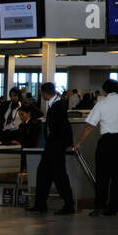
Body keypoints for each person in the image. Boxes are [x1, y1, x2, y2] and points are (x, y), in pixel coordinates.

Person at [72, 78, 118, 216]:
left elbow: (90, 126)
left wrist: (79, 142)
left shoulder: (101, 103)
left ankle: (100, 206)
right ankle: (113, 208)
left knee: (103, 175)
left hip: (108, 142)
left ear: (105, 91)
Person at [28, 82, 75, 215]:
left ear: (44, 93)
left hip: (56, 145)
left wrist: (67, 143)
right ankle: (40, 203)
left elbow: (64, 126)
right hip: (52, 145)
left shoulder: (58, 106)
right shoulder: (55, 104)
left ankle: (68, 204)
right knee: (43, 174)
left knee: (59, 175)